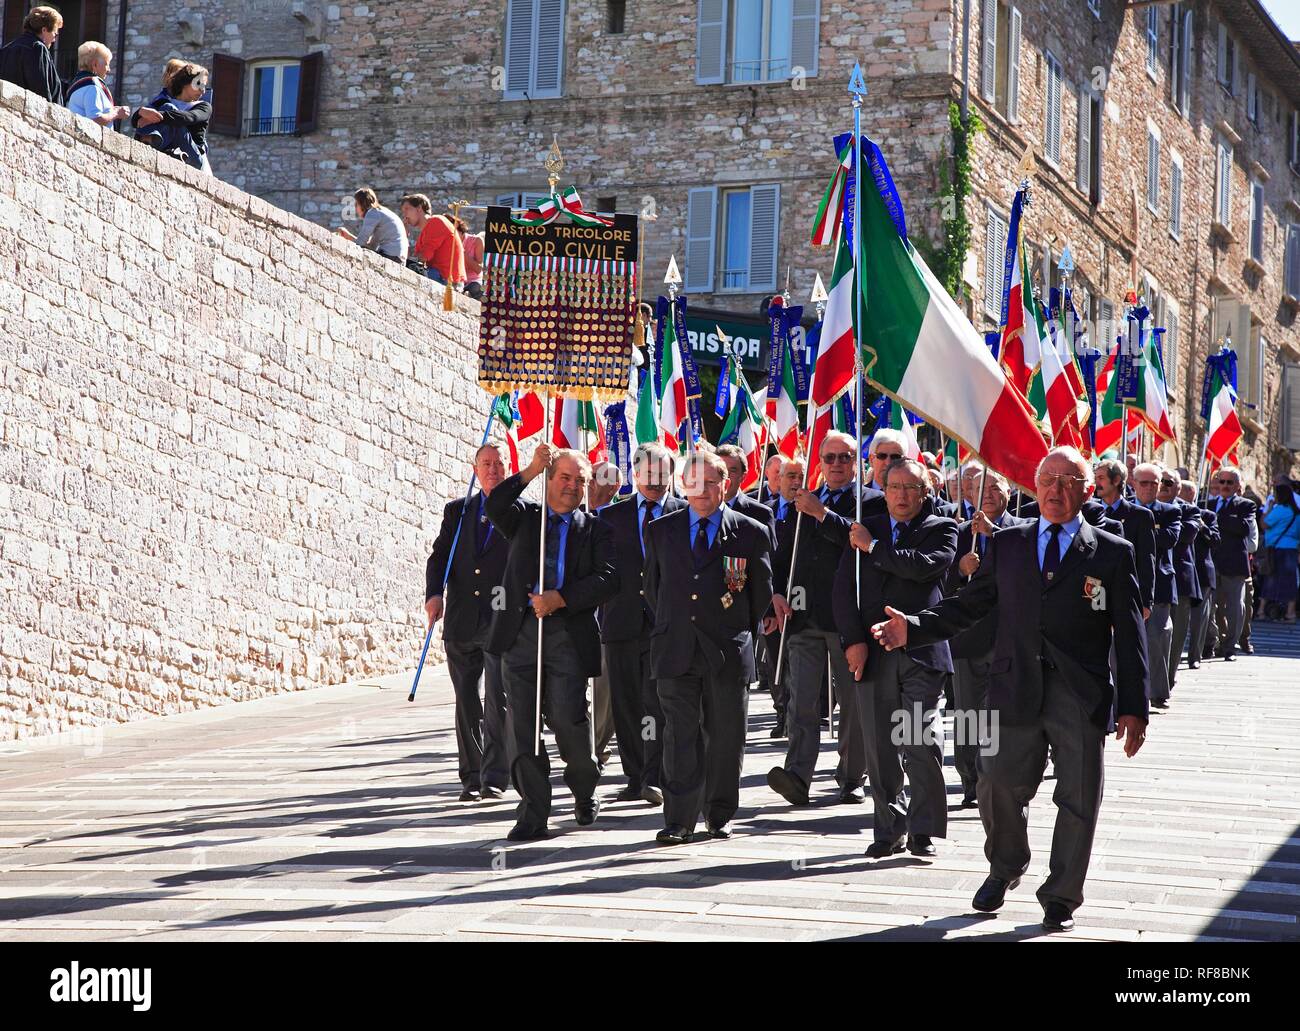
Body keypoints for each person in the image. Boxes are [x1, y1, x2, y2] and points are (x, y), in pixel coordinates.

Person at [872, 446, 1149, 932]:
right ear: (1033, 486)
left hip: (1078, 692)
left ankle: (1062, 895)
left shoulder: (1111, 551)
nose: (1056, 490)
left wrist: (1134, 707)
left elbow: (1129, 634)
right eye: (1047, 479)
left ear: (1087, 490)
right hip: (1013, 684)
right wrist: (913, 627)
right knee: (995, 782)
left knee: (1079, 798)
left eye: (1068, 481)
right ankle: (1005, 865)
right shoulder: (1010, 543)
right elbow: (969, 604)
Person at [484, 442, 618, 841]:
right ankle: (533, 810)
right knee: (521, 727)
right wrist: (528, 471)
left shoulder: (596, 529)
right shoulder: (526, 519)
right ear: (549, 479)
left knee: (568, 721)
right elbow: (494, 506)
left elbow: (610, 578)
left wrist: (562, 598)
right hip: (521, 635)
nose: (571, 486)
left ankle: (583, 785)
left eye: (579, 481)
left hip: (567, 637)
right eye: (563, 477)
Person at [644, 451, 773, 844]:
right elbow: (653, 589)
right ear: (683, 485)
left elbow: (760, 594)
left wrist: (732, 629)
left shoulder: (751, 531)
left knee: (725, 734)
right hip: (676, 646)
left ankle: (719, 814)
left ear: (725, 485)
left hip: (726, 648)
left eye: (712, 481)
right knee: (678, 736)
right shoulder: (661, 529)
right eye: (694, 482)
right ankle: (679, 819)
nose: (702, 490)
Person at [833, 457, 957, 859]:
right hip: (871, 650)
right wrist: (852, 640)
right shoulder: (863, 524)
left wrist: (873, 547)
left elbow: (922, 570)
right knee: (880, 746)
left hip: (921, 650)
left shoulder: (941, 528)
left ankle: (923, 829)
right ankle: (888, 828)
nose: (902, 496)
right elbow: (842, 591)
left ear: (926, 492)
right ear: (882, 490)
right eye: (894, 487)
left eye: (911, 488)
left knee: (920, 739)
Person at [766, 431, 867, 807]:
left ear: (856, 462)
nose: (837, 464)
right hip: (803, 617)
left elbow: (859, 541)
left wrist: (822, 514)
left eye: (845, 457)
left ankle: (852, 775)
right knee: (802, 701)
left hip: (847, 620)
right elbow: (781, 555)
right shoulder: (800, 503)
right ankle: (798, 775)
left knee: (852, 703)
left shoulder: (867, 500)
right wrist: (774, 593)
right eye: (830, 458)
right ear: (819, 463)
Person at [596, 443, 683, 806]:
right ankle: (635, 775)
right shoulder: (610, 517)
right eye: (648, 474)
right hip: (621, 624)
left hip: (664, 625)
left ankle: (655, 774)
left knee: (658, 702)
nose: (655, 481)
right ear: (635, 475)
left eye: (662, 474)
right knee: (626, 703)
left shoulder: (682, 513)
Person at [424, 444, 511, 802]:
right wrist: (434, 594)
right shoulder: (457, 513)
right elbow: (439, 555)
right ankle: (471, 776)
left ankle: (494, 776)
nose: (492, 469)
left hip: (500, 620)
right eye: (485, 464)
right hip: (461, 620)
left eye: (497, 464)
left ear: (506, 470)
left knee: (497, 698)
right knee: (466, 701)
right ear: (474, 469)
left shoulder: (517, 511)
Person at [944, 468, 1026, 808]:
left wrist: (994, 537)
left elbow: (1027, 573)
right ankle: (970, 779)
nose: (988, 494)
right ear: (968, 492)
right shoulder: (960, 533)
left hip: (1010, 638)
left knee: (1003, 713)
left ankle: (999, 773)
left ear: (1009, 491)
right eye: (980, 488)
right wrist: (959, 570)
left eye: (995, 487)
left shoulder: (1023, 531)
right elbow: (940, 581)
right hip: (970, 637)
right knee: (968, 714)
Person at [1131, 463, 1181, 709]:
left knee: (1156, 637)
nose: (1150, 488)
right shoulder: (1125, 510)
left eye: (1154, 483)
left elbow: (1169, 539)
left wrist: (1137, 535)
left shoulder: (1170, 511)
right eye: (1144, 483)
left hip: (1159, 583)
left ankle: (1158, 692)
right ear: (1133, 484)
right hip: (1128, 580)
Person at [1094, 458, 1156, 619]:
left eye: (1101, 478)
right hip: (1095, 590)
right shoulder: (1090, 512)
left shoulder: (1140, 516)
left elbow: (1146, 559)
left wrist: (1145, 601)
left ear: (1116, 480)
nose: (1096, 483)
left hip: (1124, 589)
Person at [1206, 468, 1257, 661]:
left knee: (1236, 607)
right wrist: (1227, 520)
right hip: (1212, 562)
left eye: (1230, 483)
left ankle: (1230, 646)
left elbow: (1243, 528)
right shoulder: (1208, 504)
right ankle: (1215, 642)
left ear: (1237, 486)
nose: (1225, 486)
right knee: (1212, 607)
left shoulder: (1246, 505)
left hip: (1234, 564)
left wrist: (1217, 519)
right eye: (1222, 482)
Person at [1162, 470, 1203, 691]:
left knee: (1176, 635)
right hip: (1151, 580)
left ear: (1179, 488)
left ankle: (1167, 679)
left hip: (1180, 580)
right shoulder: (1141, 509)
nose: (1164, 486)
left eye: (1169, 483)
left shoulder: (1189, 510)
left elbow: (1183, 536)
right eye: (1162, 482)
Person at [132, 63, 212, 170]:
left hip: (193, 156)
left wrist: (159, 115)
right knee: (166, 107)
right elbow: (135, 121)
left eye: (204, 86)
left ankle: (151, 142)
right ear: (185, 82)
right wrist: (140, 112)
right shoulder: (163, 100)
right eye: (199, 83)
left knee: (169, 110)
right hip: (169, 149)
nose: (203, 90)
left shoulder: (204, 107)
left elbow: (189, 117)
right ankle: (151, 142)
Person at [1183, 479, 1219, 669]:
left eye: (1189, 494)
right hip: (1183, 571)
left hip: (1202, 571)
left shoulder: (1208, 516)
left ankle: (1195, 655)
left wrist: (1202, 526)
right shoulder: (1174, 514)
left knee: (1200, 618)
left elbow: (1215, 540)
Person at [0, 6, 62, 104]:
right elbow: (41, 91)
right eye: (55, 34)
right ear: (44, 30)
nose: (54, 39)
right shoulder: (38, 48)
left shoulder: (6, 49)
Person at [64, 42, 131, 126]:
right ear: (95, 64)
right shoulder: (92, 86)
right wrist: (116, 113)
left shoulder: (79, 84)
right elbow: (96, 119)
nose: (109, 70)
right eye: (106, 64)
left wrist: (111, 110)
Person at [336, 188, 409, 264]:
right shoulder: (380, 212)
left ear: (362, 203)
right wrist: (348, 236)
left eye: (356, 204)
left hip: (391, 256)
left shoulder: (372, 213)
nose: (355, 208)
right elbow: (371, 247)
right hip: (399, 258)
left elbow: (360, 243)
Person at [1262, 481, 1300, 622]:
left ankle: (1261, 610)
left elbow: (1264, 524)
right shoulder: (1296, 513)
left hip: (1277, 549)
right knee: (1290, 581)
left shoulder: (1279, 510)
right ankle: (1290, 612)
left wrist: (1268, 508)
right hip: (1291, 549)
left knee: (1271, 578)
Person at [462, 228, 484, 300]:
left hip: (473, 281)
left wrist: (462, 253)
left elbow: (478, 269)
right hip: (456, 281)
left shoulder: (476, 241)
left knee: (476, 288)